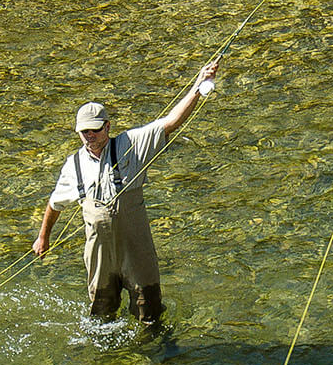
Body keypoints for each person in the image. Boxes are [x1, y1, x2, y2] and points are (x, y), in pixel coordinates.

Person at [33, 59, 221, 324]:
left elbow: (172, 122)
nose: (89, 137)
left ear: (107, 127)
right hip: (100, 253)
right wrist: (43, 238)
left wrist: (198, 85)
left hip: (136, 248)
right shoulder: (72, 165)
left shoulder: (132, 144)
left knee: (150, 313)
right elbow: (55, 205)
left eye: (95, 130)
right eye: (84, 132)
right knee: (101, 315)